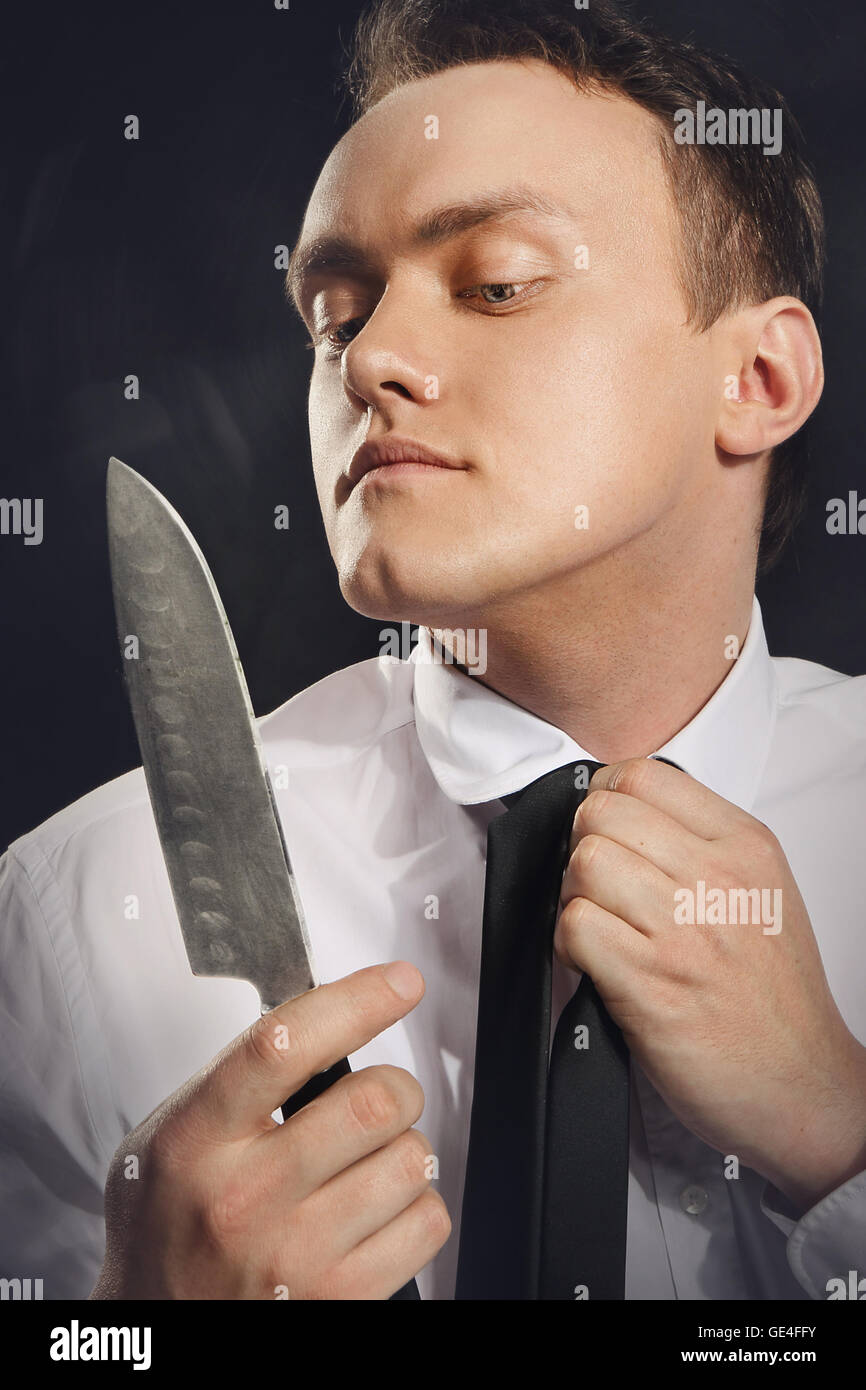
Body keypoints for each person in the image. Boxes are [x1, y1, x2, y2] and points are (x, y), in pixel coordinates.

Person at [1, 0, 864, 1302]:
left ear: (757, 378)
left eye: (497, 282)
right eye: (334, 313)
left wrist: (836, 1131)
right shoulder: (77, 914)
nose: (372, 360)